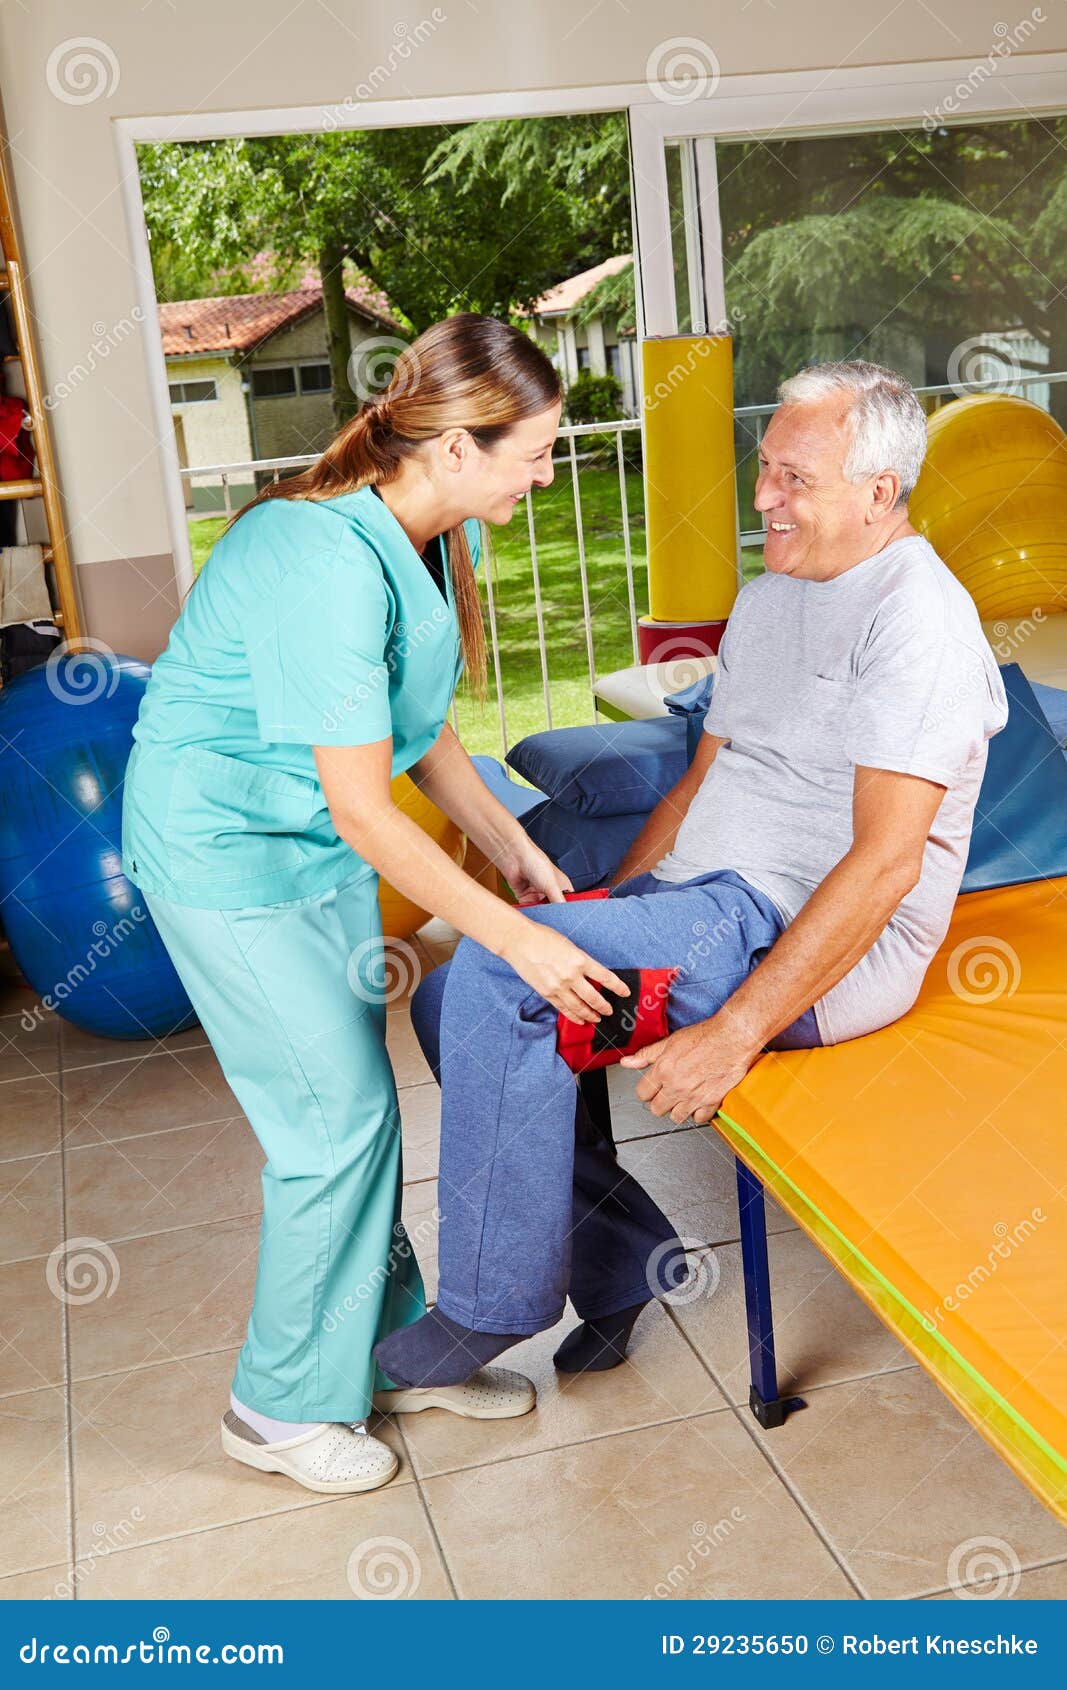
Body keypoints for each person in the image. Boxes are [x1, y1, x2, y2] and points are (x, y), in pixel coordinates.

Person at [374, 358, 1009, 1392]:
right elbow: (691, 793)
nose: (762, 499)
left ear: (876, 493)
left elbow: (887, 863)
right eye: (763, 469)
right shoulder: (769, 599)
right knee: (454, 995)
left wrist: (734, 1031)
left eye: (792, 479)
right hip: (699, 903)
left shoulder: (916, 620)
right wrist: (608, 907)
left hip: (797, 931)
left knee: (502, 978)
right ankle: (621, 1268)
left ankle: (487, 1308)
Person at [121, 313, 656, 1495]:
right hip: (222, 854)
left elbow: (416, 738)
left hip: (302, 852)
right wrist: (510, 937)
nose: (546, 469)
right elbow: (366, 808)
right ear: (457, 447)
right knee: (335, 1122)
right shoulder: (317, 556)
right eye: (535, 449)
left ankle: (387, 1347)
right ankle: (273, 1407)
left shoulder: (420, 541)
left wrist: (512, 848)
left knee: (355, 1110)